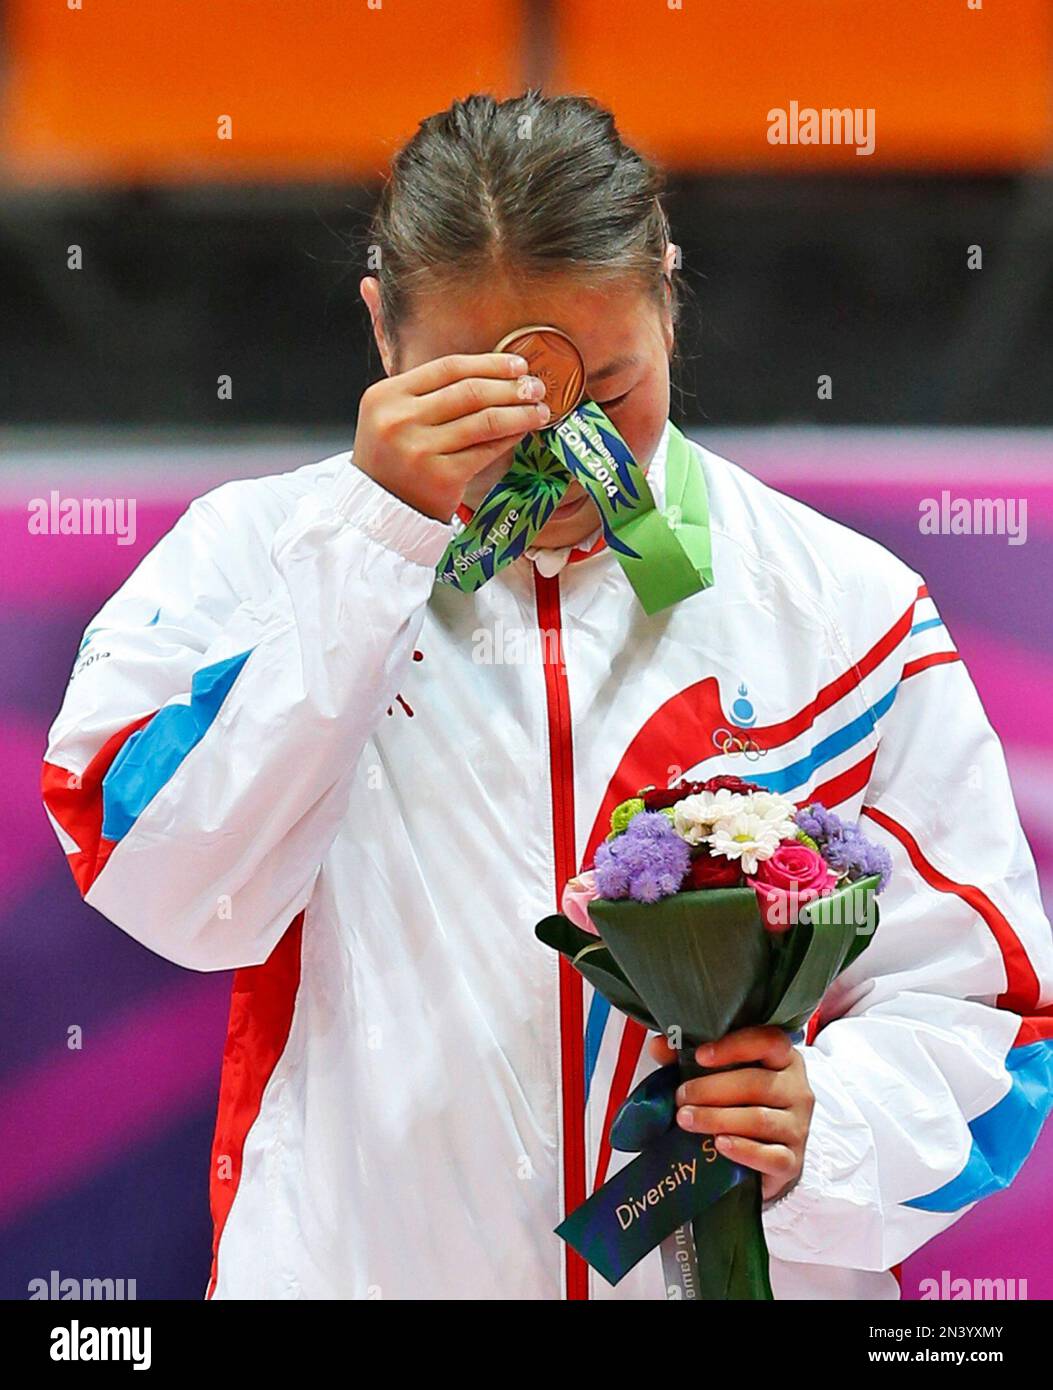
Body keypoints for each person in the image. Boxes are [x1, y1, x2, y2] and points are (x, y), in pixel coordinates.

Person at [41, 91, 1053, 1301]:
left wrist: (824, 1128)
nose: (560, 446)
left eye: (610, 388)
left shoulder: (845, 605)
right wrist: (371, 551)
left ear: (669, 299)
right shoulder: (250, 560)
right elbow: (170, 891)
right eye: (489, 399)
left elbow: (995, 1012)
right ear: (383, 332)